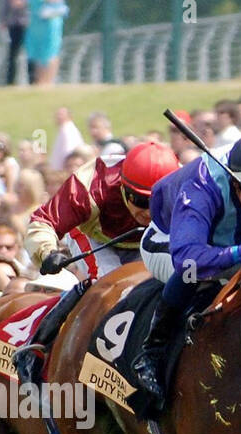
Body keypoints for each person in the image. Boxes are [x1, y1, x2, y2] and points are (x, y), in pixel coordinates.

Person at [133, 131, 241, 413]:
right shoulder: (201, 186)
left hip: (233, 239)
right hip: (169, 243)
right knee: (195, 274)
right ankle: (152, 353)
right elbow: (187, 257)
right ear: (235, 181)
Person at [14, 141, 180, 384]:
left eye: (159, 201)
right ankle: (39, 345)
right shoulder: (91, 184)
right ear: (122, 187)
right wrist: (47, 252)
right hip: (95, 238)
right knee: (112, 289)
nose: (149, 212)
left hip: (151, 239)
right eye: (140, 200)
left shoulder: (188, 185)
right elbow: (43, 221)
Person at [25, 0, 69, 87]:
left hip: (49, 21)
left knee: (49, 53)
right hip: (35, 21)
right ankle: (39, 83)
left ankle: (48, 82)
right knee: (36, 55)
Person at [1, 0, 30, 86]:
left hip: (27, 25)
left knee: (30, 54)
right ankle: (10, 81)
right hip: (15, 25)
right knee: (13, 55)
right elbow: (9, 6)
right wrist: (3, 21)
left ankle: (32, 79)